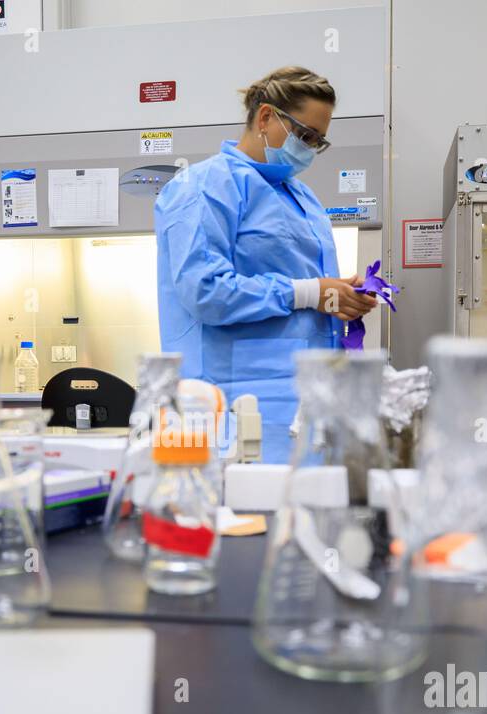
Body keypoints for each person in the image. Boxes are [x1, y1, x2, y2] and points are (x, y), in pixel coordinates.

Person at [154, 66, 378, 464]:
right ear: (265, 117)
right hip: (233, 408)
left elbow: (304, 293)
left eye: (319, 141)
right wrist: (310, 292)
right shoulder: (204, 187)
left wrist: (336, 298)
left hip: (305, 407)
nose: (309, 148)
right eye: (304, 134)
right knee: (245, 516)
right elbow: (205, 291)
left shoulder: (303, 198)